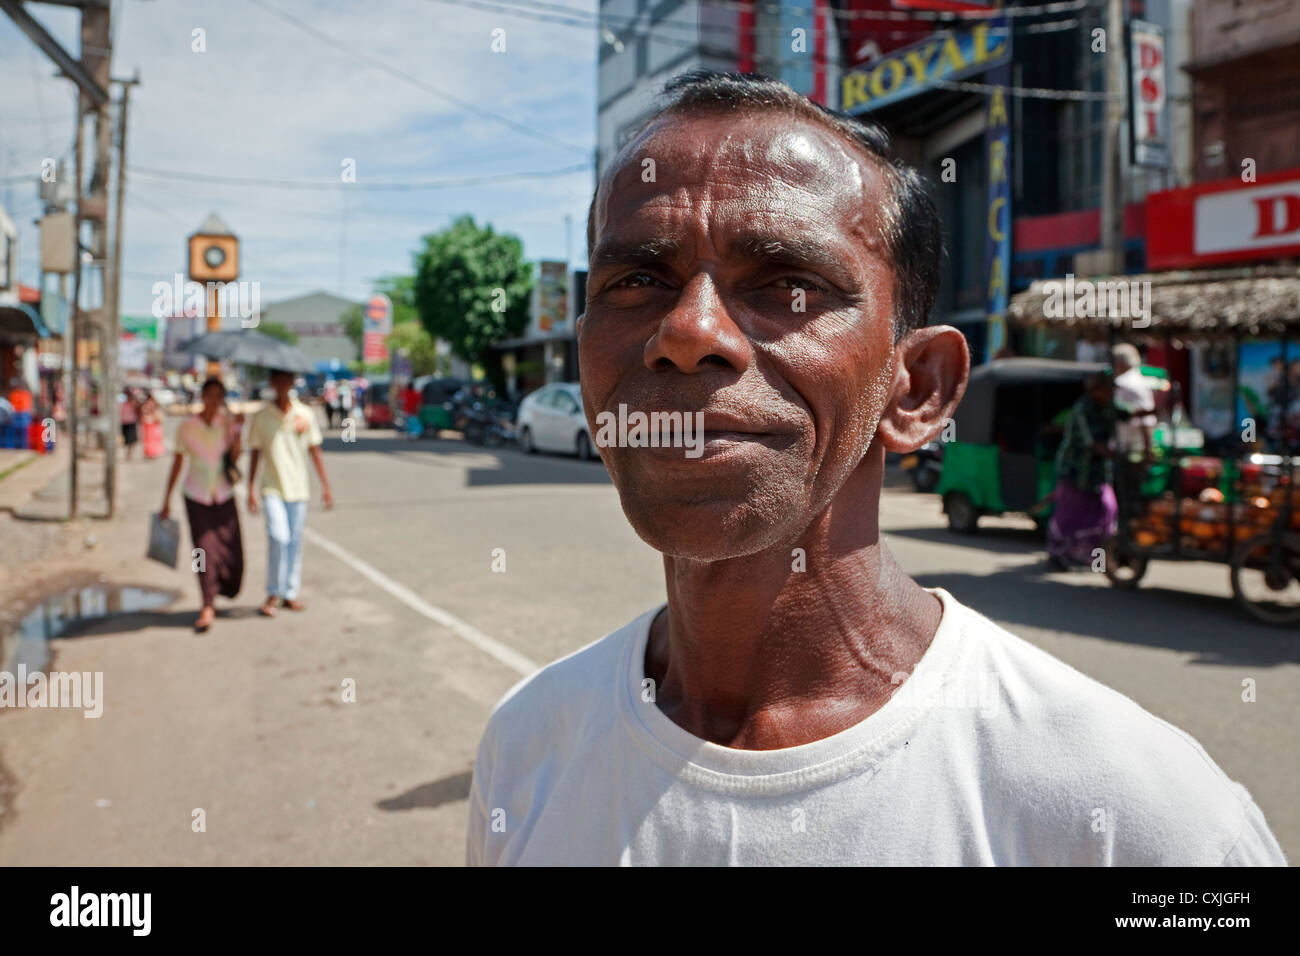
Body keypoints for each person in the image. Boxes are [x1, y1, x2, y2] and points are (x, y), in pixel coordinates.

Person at [465, 71, 1285, 866]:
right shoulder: (530, 742)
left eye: (787, 286)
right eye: (637, 280)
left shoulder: (1134, 817)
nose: (688, 331)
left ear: (918, 390)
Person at [159, 378, 244, 632]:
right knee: (202, 550)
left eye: (219, 396)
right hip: (196, 496)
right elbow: (177, 462)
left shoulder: (225, 424)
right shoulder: (187, 427)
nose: (214, 400)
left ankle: (222, 589)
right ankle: (206, 603)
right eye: (210, 395)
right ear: (203, 396)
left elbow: (234, 457)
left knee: (231, 548)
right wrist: (166, 499)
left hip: (223, 494)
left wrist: (237, 431)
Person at [246, 369, 333, 618]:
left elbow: (315, 450)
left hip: (298, 488)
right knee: (279, 537)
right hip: (272, 487)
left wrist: (325, 486)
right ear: (272, 382)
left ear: (292, 383)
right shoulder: (262, 416)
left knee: (294, 543)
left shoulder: (305, 414)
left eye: (287, 380)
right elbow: (255, 452)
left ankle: (289, 593)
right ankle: (273, 591)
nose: (282, 385)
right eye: (278, 380)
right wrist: (250, 488)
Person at [1047, 373, 1121, 570]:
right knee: (1070, 517)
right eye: (1108, 390)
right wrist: (1116, 455)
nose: (1111, 394)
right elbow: (1092, 443)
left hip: (1097, 474)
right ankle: (1059, 557)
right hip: (1076, 471)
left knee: (1106, 510)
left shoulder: (1107, 408)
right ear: (1097, 390)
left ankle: (1095, 561)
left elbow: (1125, 415)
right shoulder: (1083, 410)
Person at [1111, 344, 1155, 462]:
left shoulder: (1124, 383)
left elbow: (1146, 419)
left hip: (1128, 448)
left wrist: (1148, 449)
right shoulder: (1140, 381)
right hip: (1129, 446)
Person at [139, 391, 166, 459]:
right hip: (150, 424)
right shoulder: (150, 405)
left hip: (152, 424)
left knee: (151, 440)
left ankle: (152, 453)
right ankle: (150, 453)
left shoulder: (151, 405)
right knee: (150, 440)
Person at [119, 388, 140, 460]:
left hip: (131, 422)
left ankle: (129, 452)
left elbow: (138, 409)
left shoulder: (133, 403)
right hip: (125, 422)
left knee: (131, 439)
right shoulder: (122, 402)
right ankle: (128, 452)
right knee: (126, 439)